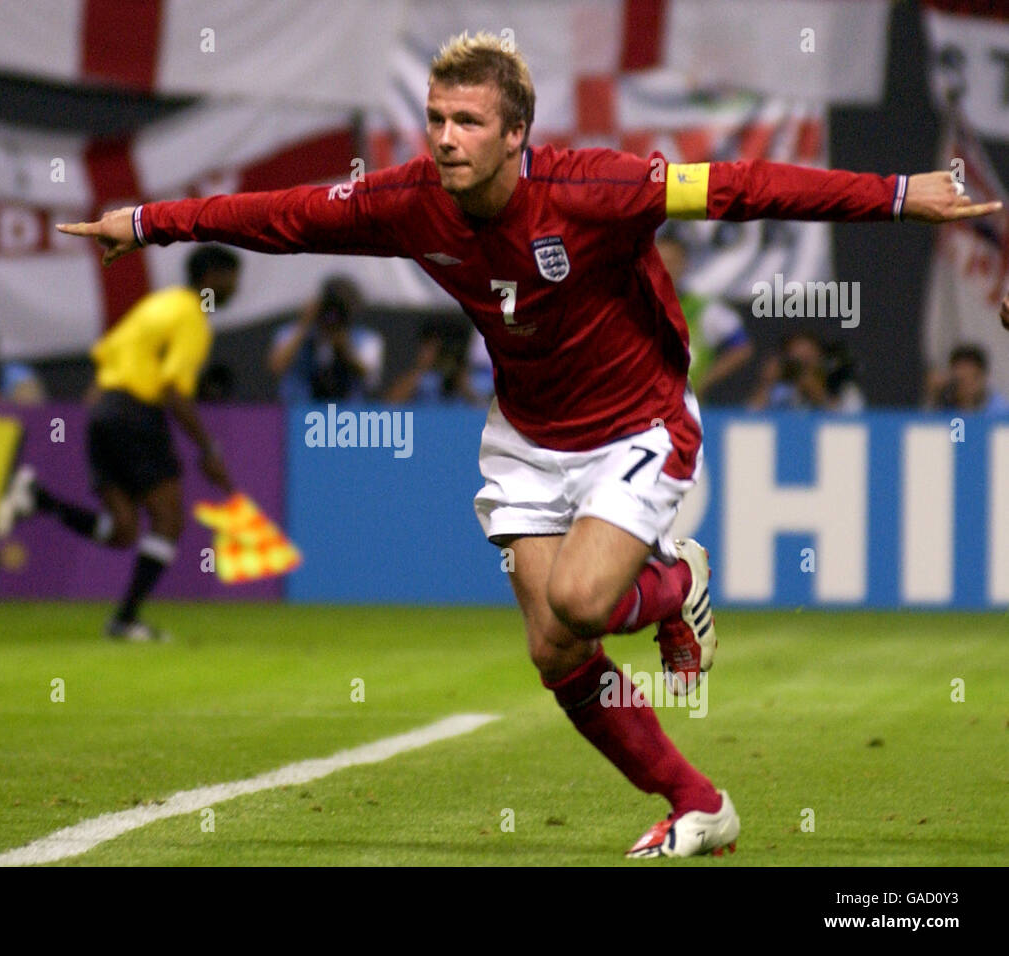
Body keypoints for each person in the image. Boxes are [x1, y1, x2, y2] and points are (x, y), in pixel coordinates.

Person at [56, 32, 997, 857]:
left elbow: (746, 186)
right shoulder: (408, 200)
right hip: (527, 436)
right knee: (554, 651)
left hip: (637, 421)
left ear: (516, 134)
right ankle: (697, 804)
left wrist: (891, 194)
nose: (445, 138)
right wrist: (146, 224)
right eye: (435, 118)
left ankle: (676, 580)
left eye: (467, 121)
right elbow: (285, 215)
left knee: (583, 601)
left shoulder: (599, 188)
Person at [0, 246, 240, 642]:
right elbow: (175, 391)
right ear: (211, 275)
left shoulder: (155, 305)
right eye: (231, 278)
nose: (235, 288)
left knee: (123, 531)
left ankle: (40, 500)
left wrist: (100, 420)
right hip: (136, 413)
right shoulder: (192, 316)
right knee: (168, 520)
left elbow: (105, 358)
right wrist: (207, 449)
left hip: (105, 410)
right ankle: (126, 621)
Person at [655, 234, 753, 402]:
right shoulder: (630, 307)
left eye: (672, 262)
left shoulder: (703, 309)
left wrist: (704, 381)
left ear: (684, 265)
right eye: (659, 262)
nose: (665, 269)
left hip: (685, 408)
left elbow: (741, 347)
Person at [267, 276, 384, 402]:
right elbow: (276, 366)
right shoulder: (292, 332)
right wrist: (304, 324)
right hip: (297, 411)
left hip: (346, 414)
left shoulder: (366, 339)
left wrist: (344, 348)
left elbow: (370, 378)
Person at [749, 331, 865, 412]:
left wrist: (819, 395)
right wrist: (766, 384)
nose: (804, 367)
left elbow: (853, 427)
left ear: (820, 357)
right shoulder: (780, 392)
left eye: (808, 358)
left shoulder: (845, 389)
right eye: (797, 361)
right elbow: (747, 422)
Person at [384, 320, 479, 404]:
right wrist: (421, 367)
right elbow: (390, 404)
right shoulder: (421, 378)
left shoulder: (475, 378)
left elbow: (482, 410)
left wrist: (461, 378)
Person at [925, 343, 1009, 413]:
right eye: (960, 380)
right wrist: (933, 395)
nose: (967, 386)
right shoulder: (944, 409)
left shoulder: (1000, 410)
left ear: (983, 377)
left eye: (972, 378)